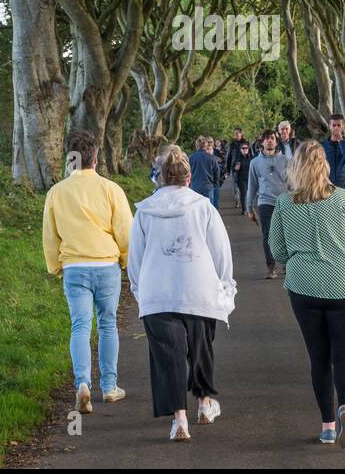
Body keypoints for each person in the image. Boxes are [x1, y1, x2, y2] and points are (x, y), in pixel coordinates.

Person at [128, 145, 236, 441]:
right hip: (199, 291)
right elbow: (221, 253)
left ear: (159, 178)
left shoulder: (144, 212)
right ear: (189, 178)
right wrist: (225, 287)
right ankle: (203, 403)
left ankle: (179, 420)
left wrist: (140, 292)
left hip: (158, 294)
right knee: (201, 348)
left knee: (168, 355)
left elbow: (134, 259)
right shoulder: (204, 208)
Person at [268, 141, 345, 448]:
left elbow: (278, 251)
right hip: (342, 285)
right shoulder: (342, 199)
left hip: (303, 287)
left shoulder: (284, 204)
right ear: (324, 165)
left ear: (295, 167)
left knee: (319, 357)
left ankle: (327, 425)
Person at [42, 130, 133, 414]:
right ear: (96, 157)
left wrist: (56, 265)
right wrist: (126, 260)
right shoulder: (111, 189)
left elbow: (50, 235)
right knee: (107, 324)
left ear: (70, 158)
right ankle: (109, 386)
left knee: (80, 326)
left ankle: (82, 383)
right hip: (105, 264)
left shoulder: (56, 192)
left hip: (74, 266)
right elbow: (125, 230)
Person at [246, 130, 291, 279]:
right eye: (266, 139)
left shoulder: (285, 160)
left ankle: (287, 264)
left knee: (286, 234)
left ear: (276, 142)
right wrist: (249, 207)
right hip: (265, 201)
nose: (269, 141)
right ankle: (271, 267)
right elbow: (252, 186)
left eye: (272, 138)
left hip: (284, 201)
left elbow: (292, 183)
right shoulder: (255, 162)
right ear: (262, 142)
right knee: (267, 235)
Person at [321, 114, 345, 189]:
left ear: (343, 126)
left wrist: (340, 140)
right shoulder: (322, 145)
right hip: (327, 186)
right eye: (333, 125)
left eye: (339, 125)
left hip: (344, 187)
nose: (336, 128)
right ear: (329, 126)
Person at [189, 136, 219, 203]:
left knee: (196, 209)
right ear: (206, 146)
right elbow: (217, 172)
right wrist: (215, 184)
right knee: (208, 210)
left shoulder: (191, 157)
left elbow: (188, 172)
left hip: (195, 187)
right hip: (208, 187)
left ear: (197, 146)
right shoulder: (211, 158)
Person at [212, 139, 227, 208]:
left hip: (218, 173)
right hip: (209, 177)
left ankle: (215, 206)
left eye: (210, 142)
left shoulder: (218, 151)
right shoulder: (206, 153)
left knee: (217, 186)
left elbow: (224, 160)